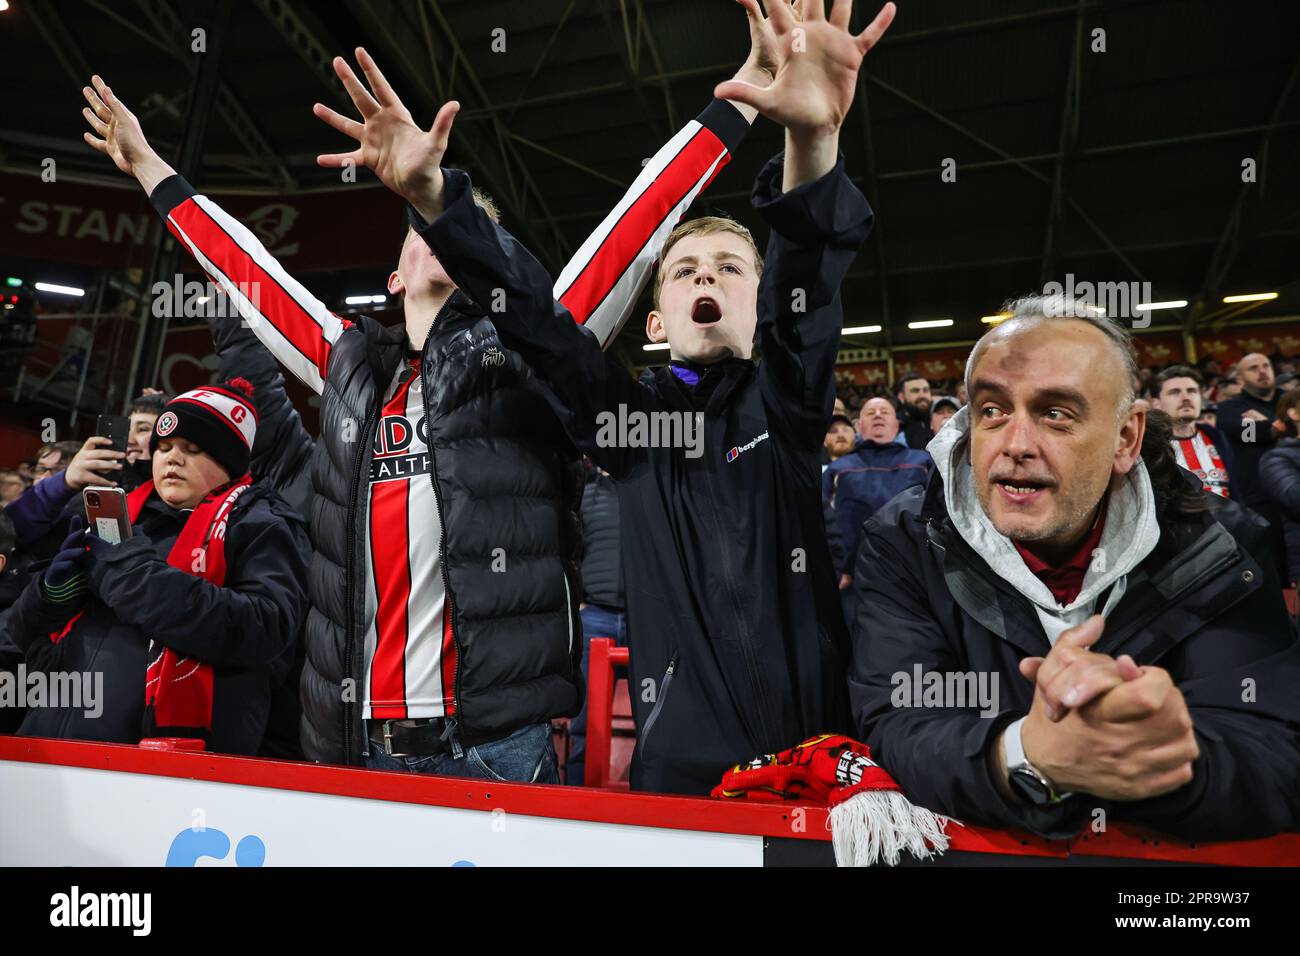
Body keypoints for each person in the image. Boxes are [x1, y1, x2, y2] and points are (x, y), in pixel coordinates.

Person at [80, 15, 774, 774]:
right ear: (395, 274)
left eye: (467, 231)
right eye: (424, 230)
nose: (444, 237)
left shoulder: (530, 347)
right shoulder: (346, 366)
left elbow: (642, 219)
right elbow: (245, 272)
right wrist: (152, 169)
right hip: (354, 741)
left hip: (493, 745)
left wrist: (740, 100)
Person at [395, 0, 896, 795]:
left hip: (821, 763)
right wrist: (440, 206)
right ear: (656, 319)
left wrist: (813, 137)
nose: (708, 275)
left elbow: (811, 270)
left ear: (762, 306)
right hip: (682, 779)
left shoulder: (788, 400)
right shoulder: (630, 426)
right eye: (687, 267)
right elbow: (538, 323)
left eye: (732, 266)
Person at [849, 295, 1300, 841]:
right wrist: (1025, 755)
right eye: (992, 410)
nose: (1015, 445)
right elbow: (899, 722)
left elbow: (1270, 748)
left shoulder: (1222, 545)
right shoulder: (903, 540)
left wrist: (1159, 761)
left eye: (1056, 413)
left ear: (1126, 437)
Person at [5, 381, 311, 755]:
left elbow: (263, 629)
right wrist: (47, 595)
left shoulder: (264, 524)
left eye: (193, 449)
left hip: (164, 770)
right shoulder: (120, 515)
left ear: (228, 462)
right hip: (48, 742)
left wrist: (127, 572)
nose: (172, 459)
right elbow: (24, 639)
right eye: (163, 448)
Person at [565, 459, 629, 785]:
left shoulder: (640, 489)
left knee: (655, 721)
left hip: (640, 621)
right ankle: (577, 802)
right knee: (585, 724)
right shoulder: (586, 490)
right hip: (595, 618)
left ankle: (648, 809)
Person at [824, 397, 930, 591]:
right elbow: (819, 520)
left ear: (897, 425)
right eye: (871, 413)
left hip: (917, 577)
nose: (878, 415)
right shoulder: (838, 469)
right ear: (859, 426)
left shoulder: (923, 461)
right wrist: (837, 567)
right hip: (854, 580)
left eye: (885, 412)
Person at [1150, 365, 1233, 498]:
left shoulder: (1219, 438)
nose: (1186, 397)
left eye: (1192, 391)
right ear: (1156, 404)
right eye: (1175, 392)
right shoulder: (1150, 448)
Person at [1260, 388, 1300, 588]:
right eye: (1254, 367)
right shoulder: (1236, 407)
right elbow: (1246, 438)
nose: (1262, 371)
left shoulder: (1280, 393)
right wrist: (1265, 424)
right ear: (1293, 414)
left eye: (1266, 365)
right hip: (1254, 494)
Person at [893, 372, 933, 449]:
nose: (922, 395)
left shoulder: (938, 420)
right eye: (915, 391)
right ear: (901, 397)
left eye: (926, 390)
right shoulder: (895, 425)